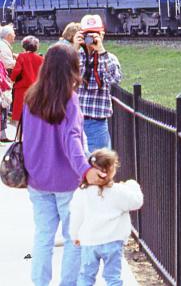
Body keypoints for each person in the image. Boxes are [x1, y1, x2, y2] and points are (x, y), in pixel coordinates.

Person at [23, 43, 109, 286]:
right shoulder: (69, 100)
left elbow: (28, 138)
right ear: (71, 68)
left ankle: (39, 283)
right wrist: (86, 170)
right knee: (74, 238)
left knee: (43, 237)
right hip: (66, 182)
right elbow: (72, 140)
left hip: (37, 180)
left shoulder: (31, 97)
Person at [70, 149, 143, 286]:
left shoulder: (81, 193)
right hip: (113, 241)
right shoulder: (118, 191)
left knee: (86, 276)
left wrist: (75, 235)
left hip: (90, 241)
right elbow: (136, 202)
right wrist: (133, 185)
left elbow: (76, 216)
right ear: (111, 170)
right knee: (113, 277)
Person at [73, 14, 123, 152]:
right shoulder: (75, 56)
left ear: (102, 35)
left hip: (97, 121)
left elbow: (114, 79)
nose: (91, 39)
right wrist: (74, 49)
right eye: (88, 35)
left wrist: (101, 51)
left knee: (99, 165)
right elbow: (59, 78)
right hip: (74, 121)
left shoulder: (109, 58)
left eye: (95, 34)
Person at [11, 35, 44, 127]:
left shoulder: (21, 56)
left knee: (20, 114)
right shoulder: (41, 59)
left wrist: (12, 79)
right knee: (33, 113)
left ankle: (19, 137)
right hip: (36, 89)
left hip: (22, 89)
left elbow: (16, 71)